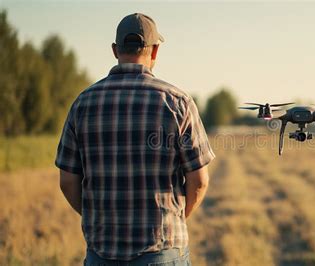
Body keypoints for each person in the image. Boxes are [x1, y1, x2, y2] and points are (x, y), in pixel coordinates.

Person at [55, 13, 215, 266]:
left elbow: (67, 180)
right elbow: (199, 181)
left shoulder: (83, 104)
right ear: (154, 52)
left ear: (115, 50)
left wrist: (98, 220)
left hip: (102, 252)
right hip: (162, 251)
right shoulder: (178, 103)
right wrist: (175, 220)